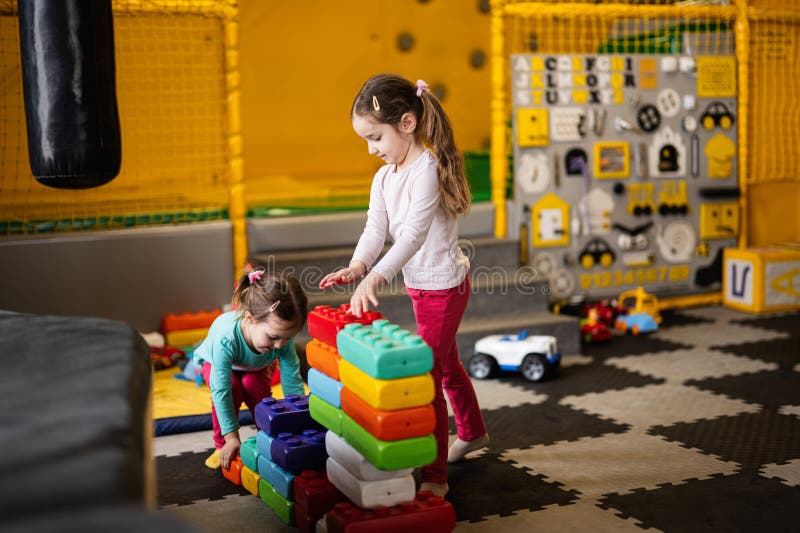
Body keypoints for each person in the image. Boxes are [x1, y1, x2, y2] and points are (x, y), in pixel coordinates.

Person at [319, 73, 489, 497]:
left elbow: (411, 235)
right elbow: (376, 229)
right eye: (366, 140)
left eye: (375, 137)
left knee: (427, 376)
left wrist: (379, 275)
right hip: (421, 287)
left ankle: (434, 476)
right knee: (447, 365)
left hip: (445, 289)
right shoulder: (384, 177)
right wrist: (358, 266)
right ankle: (474, 432)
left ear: (407, 124)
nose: (371, 149)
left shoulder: (427, 169)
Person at [194, 267, 308, 470]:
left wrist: (296, 423)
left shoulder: (280, 341)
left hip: (253, 367)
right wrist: (231, 437)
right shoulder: (226, 338)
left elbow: (292, 380)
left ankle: (266, 434)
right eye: (273, 337)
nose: (280, 345)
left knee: (254, 387)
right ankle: (221, 446)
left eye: (287, 338)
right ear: (250, 319)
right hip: (214, 361)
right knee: (232, 386)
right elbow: (220, 391)